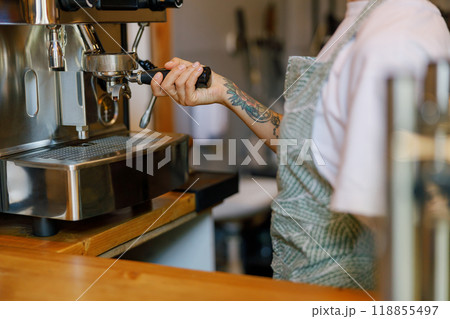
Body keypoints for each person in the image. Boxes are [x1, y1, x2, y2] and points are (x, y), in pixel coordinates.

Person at [150, 0, 450, 290]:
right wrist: (226, 91)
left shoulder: (397, 32)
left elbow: (403, 219)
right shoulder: (364, 21)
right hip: (309, 287)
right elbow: (309, 148)